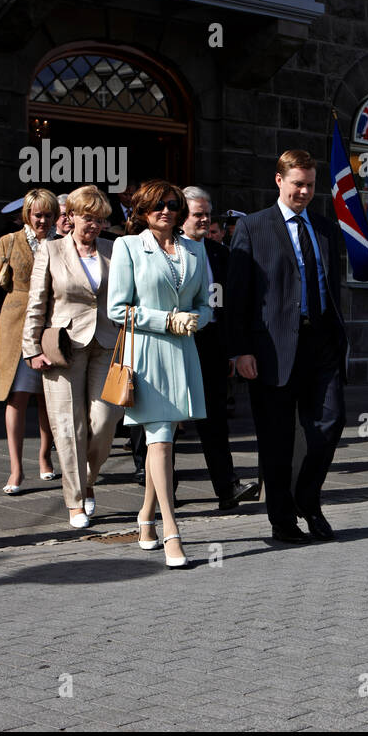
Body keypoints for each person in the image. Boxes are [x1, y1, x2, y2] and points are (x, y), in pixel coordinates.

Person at [227, 150, 347, 544]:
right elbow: (239, 295)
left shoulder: (327, 230)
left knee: (329, 424)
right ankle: (282, 520)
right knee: (276, 440)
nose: (305, 191)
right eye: (298, 183)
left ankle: (307, 500)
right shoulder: (254, 227)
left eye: (311, 184)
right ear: (279, 181)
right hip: (272, 349)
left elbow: (334, 287)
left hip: (322, 344)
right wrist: (240, 350)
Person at [108, 180, 211, 568]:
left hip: (183, 353)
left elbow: (206, 303)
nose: (165, 211)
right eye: (156, 205)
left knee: (161, 439)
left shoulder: (195, 249)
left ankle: (145, 517)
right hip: (147, 353)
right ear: (142, 210)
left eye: (172, 204)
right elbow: (118, 310)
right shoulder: (128, 246)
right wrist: (168, 319)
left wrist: (198, 319)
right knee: (162, 441)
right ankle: (171, 528)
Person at [22, 185, 125, 529]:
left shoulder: (114, 249)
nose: (94, 225)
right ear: (71, 217)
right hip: (62, 347)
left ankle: (87, 478)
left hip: (106, 342)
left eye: (100, 220)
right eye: (88, 218)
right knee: (68, 424)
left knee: (105, 421)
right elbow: (36, 303)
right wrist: (31, 349)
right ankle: (75, 500)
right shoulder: (51, 250)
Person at [0, 189, 59, 494]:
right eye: (38, 214)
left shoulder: (61, 243)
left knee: (48, 397)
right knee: (17, 395)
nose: (43, 220)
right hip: (15, 327)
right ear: (27, 215)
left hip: (51, 328)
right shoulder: (8, 243)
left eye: (49, 214)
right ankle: (16, 470)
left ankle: (45, 456)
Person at [182, 186, 259, 509]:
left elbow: (232, 306)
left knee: (214, 420)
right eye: (197, 214)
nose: (204, 220)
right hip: (176, 343)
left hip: (212, 346)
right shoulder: (169, 251)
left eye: (206, 214)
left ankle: (227, 488)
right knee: (166, 422)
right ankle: (159, 488)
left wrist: (232, 350)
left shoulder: (219, 254)